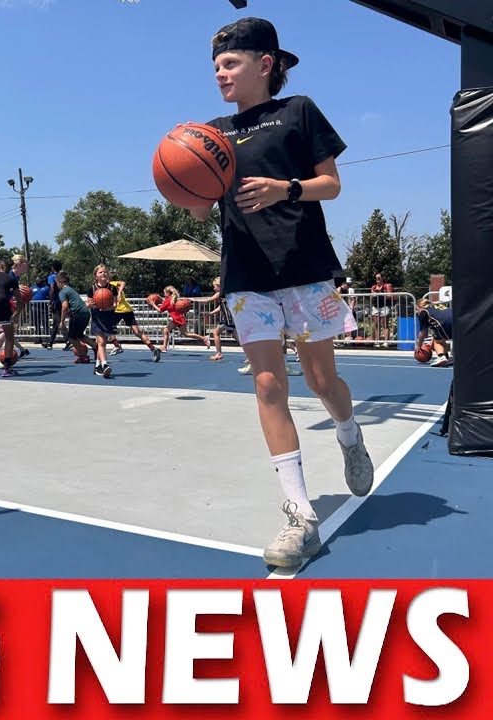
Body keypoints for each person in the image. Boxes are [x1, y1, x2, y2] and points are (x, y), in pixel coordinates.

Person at [191, 17, 370, 569]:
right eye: (215, 66)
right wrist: (188, 190)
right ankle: (299, 514)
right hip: (246, 274)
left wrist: (284, 188)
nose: (220, 73)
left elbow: (331, 185)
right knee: (269, 385)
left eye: (230, 63)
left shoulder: (299, 112)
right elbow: (203, 207)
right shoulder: (212, 135)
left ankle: (348, 432)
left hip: (303, 264)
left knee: (321, 379)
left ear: (264, 64)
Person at [100, 265, 161, 361]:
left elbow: (123, 283)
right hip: (126, 310)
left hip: (119, 311)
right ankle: (153, 348)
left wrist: (119, 292)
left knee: (107, 329)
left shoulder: (112, 284)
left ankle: (116, 346)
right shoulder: (102, 289)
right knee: (137, 332)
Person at [150, 286, 211, 352]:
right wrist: (161, 300)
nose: (164, 295)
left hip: (178, 319)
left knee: (185, 334)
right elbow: (166, 305)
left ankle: (204, 338)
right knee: (166, 331)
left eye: (164, 293)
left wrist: (153, 304)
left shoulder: (168, 300)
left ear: (168, 293)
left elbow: (160, 310)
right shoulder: (173, 298)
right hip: (177, 318)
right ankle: (164, 347)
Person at [54, 274, 93, 363]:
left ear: (60, 282)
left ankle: (83, 355)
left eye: (57, 283)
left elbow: (64, 306)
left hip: (77, 314)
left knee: (71, 337)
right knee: (79, 335)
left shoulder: (63, 292)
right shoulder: (71, 290)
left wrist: (62, 321)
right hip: (85, 312)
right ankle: (96, 348)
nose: (57, 285)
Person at [415, 298, 453, 367]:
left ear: (420, 307)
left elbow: (423, 333)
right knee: (441, 339)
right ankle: (447, 358)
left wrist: (418, 346)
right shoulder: (437, 306)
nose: (417, 312)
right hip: (456, 320)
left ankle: (441, 357)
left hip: (445, 322)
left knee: (437, 342)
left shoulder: (424, 312)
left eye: (417, 309)